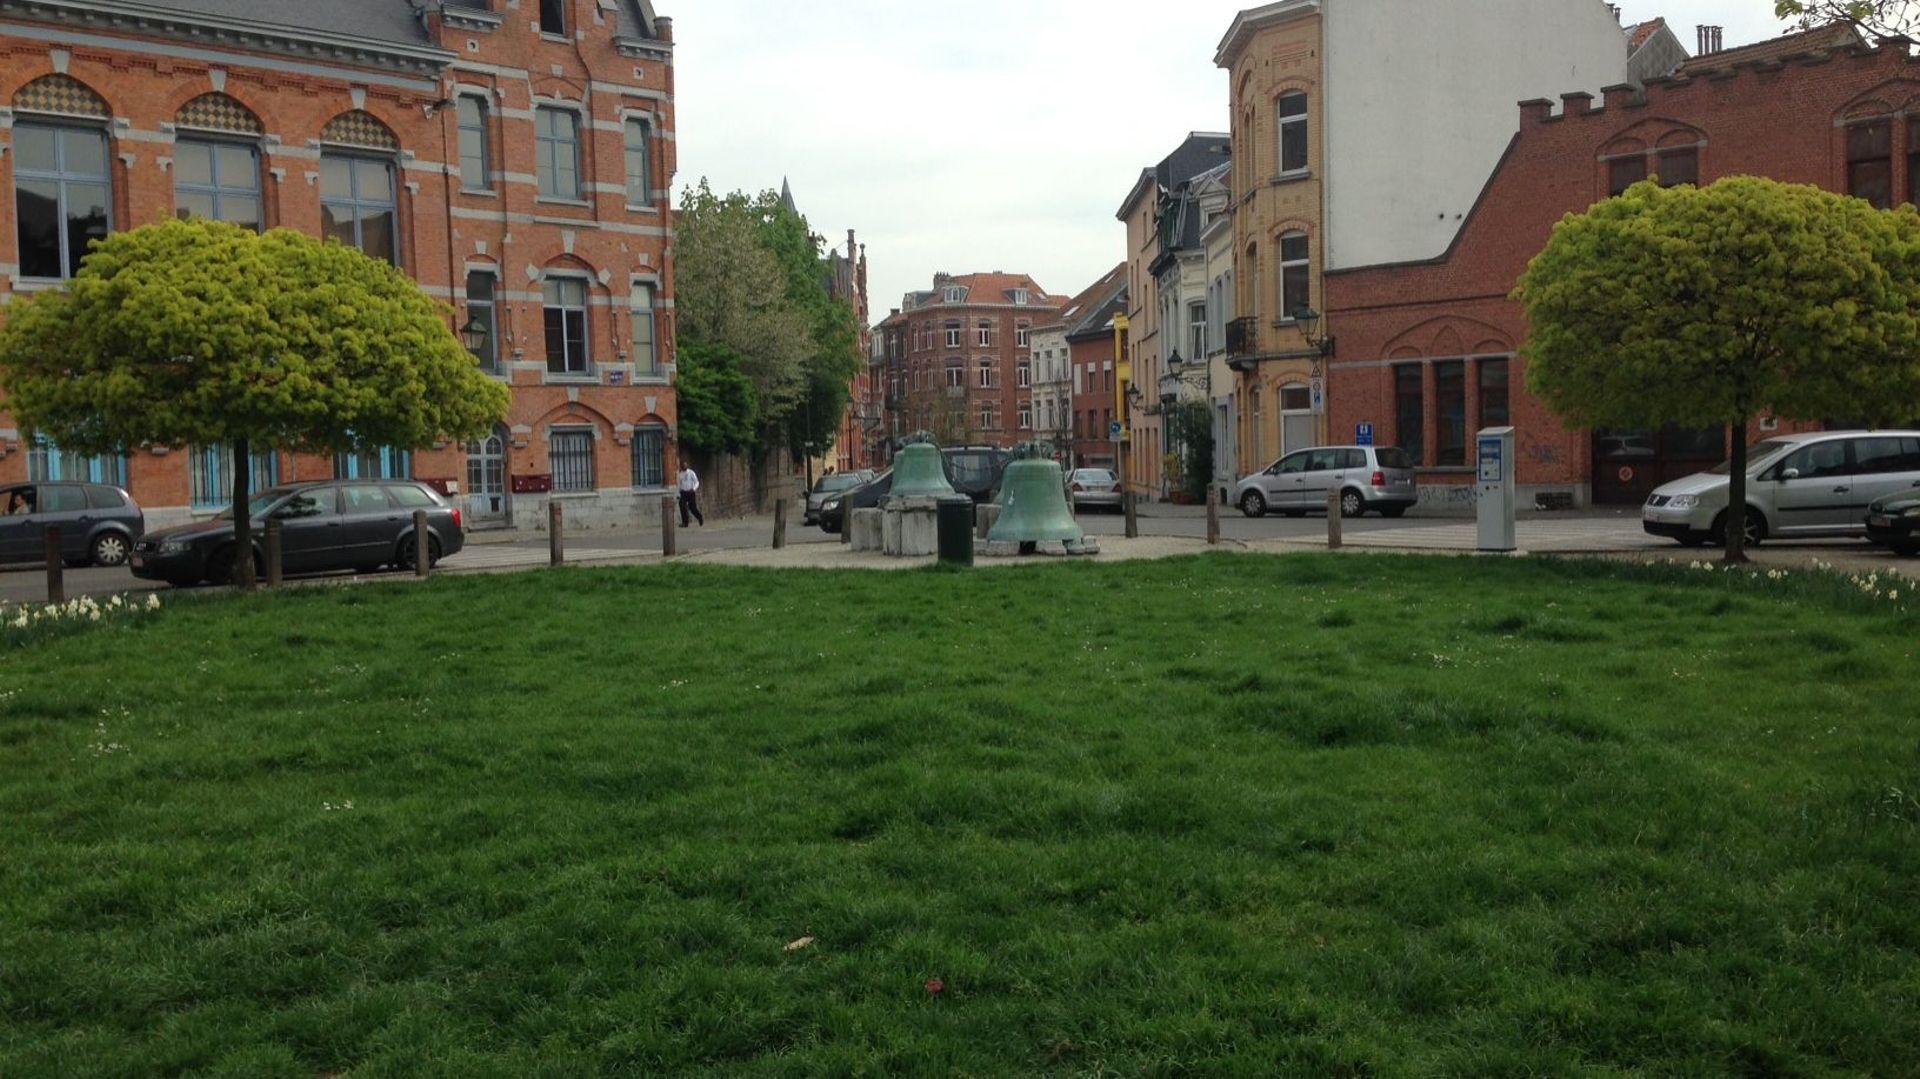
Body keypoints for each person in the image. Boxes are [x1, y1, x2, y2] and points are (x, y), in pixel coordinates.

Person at [677, 463, 704, 527]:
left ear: (687, 466)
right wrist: (678, 494)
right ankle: (685, 523)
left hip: (690, 492)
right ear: (681, 466)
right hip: (683, 493)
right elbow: (679, 485)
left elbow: (697, 482)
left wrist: (694, 489)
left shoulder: (691, 473)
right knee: (682, 506)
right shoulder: (680, 474)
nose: (684, 466)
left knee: (692, 508)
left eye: (685, 465)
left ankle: (699, 517)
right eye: (683, 465)